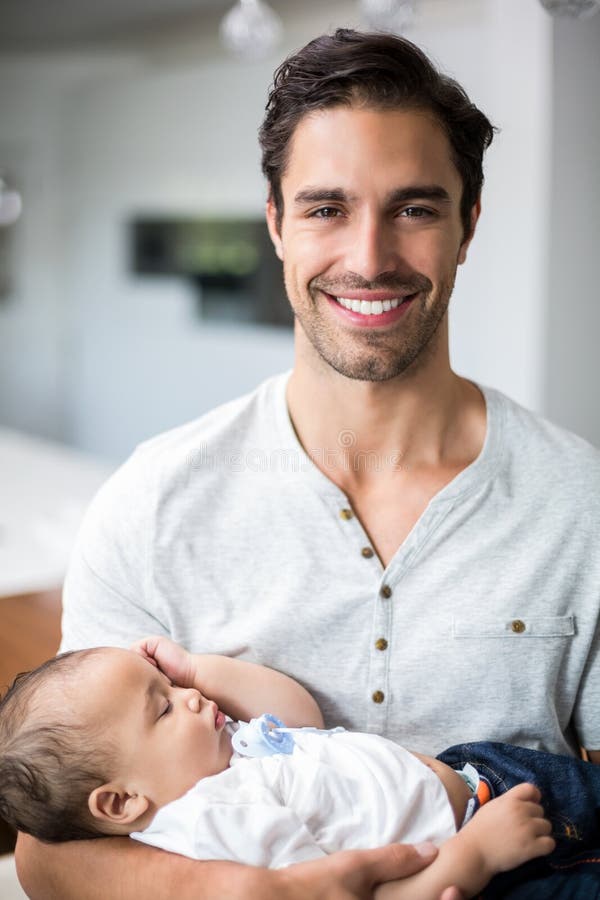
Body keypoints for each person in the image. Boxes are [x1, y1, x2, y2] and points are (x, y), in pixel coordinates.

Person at [16, 27, 600, 900]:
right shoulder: (152, 500)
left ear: (467, 226)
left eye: (414, 208)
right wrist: (261, 894)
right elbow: (49, 853)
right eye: (327, 208)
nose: (369, 257)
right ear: (277, 225)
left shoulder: (581, 504)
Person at [2, 637, 562, 899]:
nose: (190, 696)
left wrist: (198, 669)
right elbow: (347, 894)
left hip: (486, 774)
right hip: (479, 862)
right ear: (122, 801)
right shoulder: (217, 822)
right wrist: (474, 856)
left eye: (173, 686)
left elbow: (301, 716)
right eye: (165, 706)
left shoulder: (221, 751)